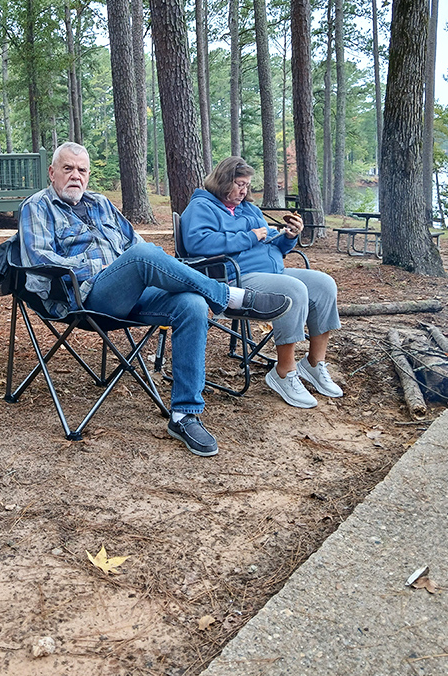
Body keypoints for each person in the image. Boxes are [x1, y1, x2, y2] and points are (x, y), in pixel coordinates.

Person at [18, 142, 291, 457]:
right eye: (68, 169)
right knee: (143, 256)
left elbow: (135, 242)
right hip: (85, 296)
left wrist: (127, 268)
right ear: (52, 172)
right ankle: (230, 297)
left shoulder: (102, 204)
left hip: (131, 291)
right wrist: (111, 269)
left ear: (88, 174)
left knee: (192, 304)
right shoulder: (37, 207)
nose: (75, 176)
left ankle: (184, 414)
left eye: (82, 170)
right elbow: (38, 262)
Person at [180, 156, 343, 409]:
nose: (244, 190)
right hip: (233, 278)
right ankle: (284, 373)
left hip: (272, 271)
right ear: (223, 182)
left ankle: (312, 364)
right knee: (293, 289)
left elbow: (271, 243)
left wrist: (289, 237)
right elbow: (197, 244)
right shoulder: (202, 207)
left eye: (247, 185)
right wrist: (249, 236)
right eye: (239, 184)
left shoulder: (250, 209)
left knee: (324, 284)